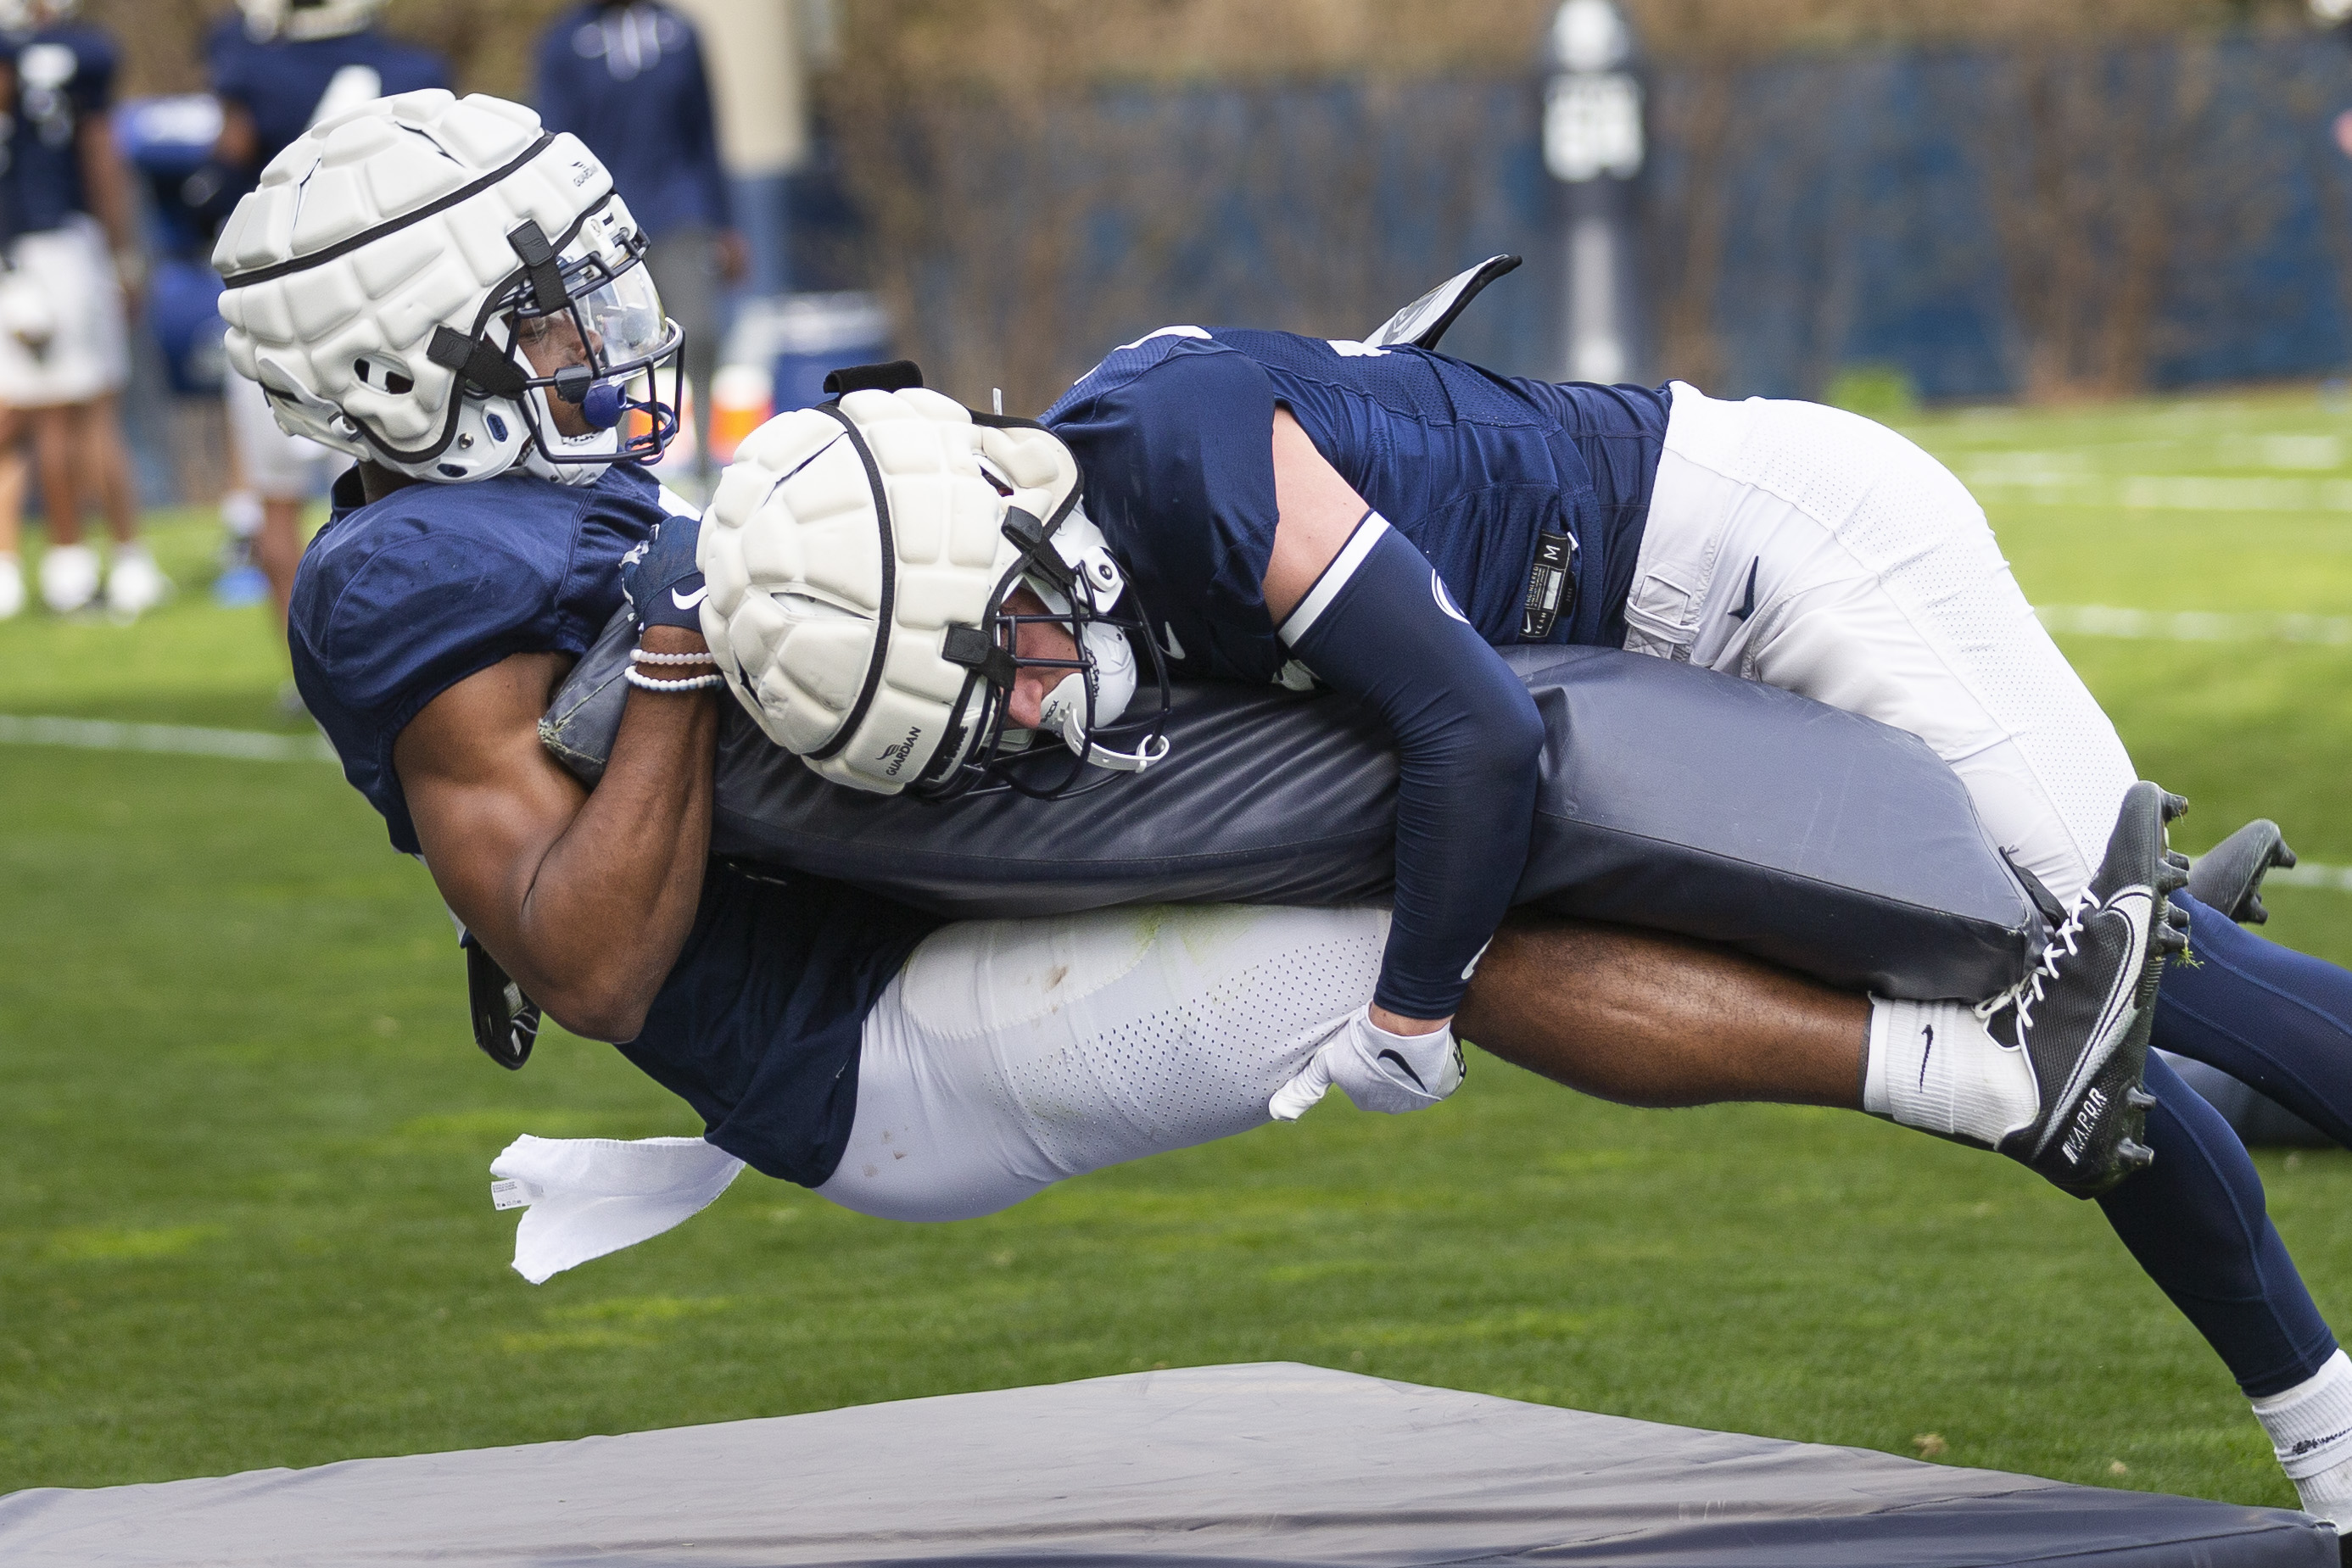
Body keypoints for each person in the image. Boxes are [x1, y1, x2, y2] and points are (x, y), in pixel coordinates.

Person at [214, 93, 2340, 1530]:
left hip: (1690, 569)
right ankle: (2048, 1099)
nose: (611, 332)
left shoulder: (1111, 459)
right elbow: (588, 938)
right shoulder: (410, 576)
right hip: (868, 1050)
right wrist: (679, 671)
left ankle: (2098, 1062)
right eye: (551, 307)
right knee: (1464, 908)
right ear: (407, 374)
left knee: (2066, 968)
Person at [208, 0, 447, 635]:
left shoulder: (252, 68)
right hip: (391, 307)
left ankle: (303, 667)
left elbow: (225, 167)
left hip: (278, 307)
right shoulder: (415, 66)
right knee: (403, 483)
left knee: (276, 498)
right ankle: (410, 648)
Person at [534, 0, 746, 497]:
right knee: (606, 346)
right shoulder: (564, 42)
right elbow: (552, 142)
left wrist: (727, 223)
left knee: (702, 330)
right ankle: (616, 464)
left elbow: (706, 132)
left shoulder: (680, 32)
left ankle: (703, 466)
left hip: (678, 209)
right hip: (599, 221)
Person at [0, 0, 160, 619]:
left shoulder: (60, 54)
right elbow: (99, 153)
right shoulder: (81, 51)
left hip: (16, 250)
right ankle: (118, 561)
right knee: (85, 412)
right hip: (62, 245)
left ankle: (47, 565)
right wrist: (122, 253)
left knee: (36, 417)